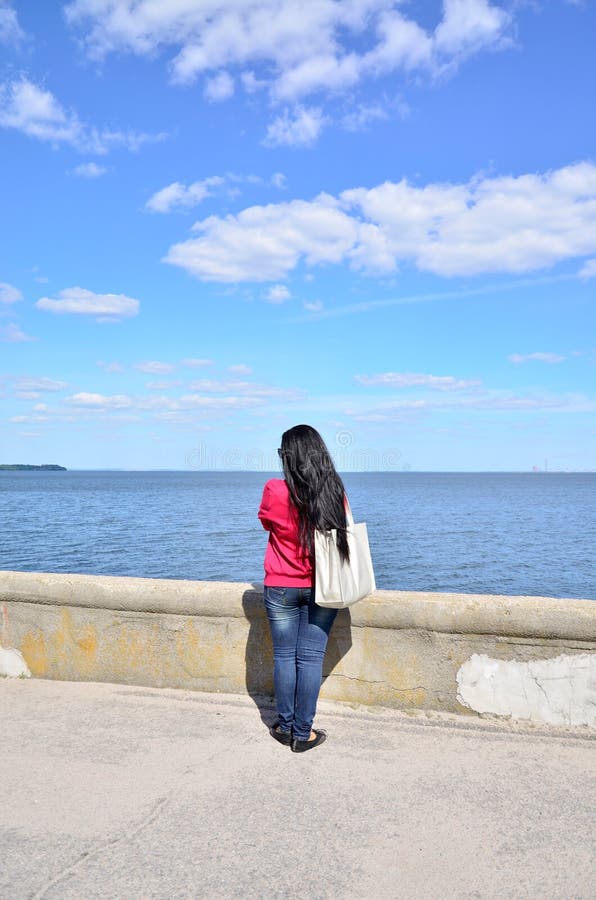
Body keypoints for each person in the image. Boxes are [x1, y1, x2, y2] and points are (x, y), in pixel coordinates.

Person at [258, 424, 350, 753]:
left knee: (284, 656)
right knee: (310, 659)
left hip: (281, 584)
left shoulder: (274, 489)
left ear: (287, 457)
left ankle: (284, 726)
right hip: (323, 586)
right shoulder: (333, 491)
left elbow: (267, 522)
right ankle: (303, 733)